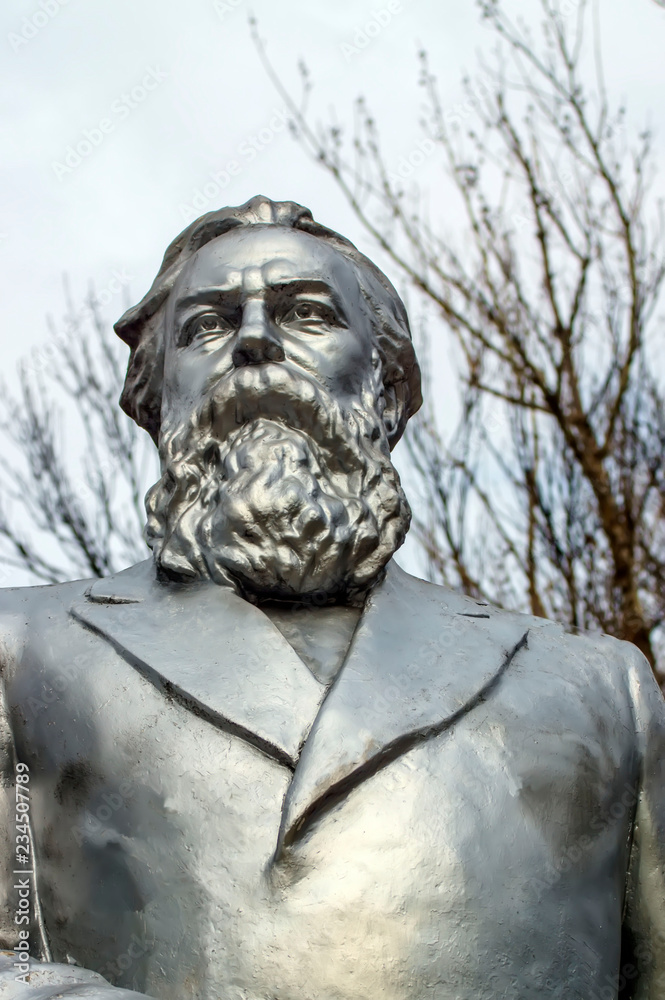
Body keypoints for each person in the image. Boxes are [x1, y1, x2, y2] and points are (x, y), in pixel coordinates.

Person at [0, 196, 663, 999]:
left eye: (305, 314)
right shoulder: (20, 647)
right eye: (205, 326)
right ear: (154, 399)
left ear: (385, 388)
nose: (252, 342)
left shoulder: (602, 692)